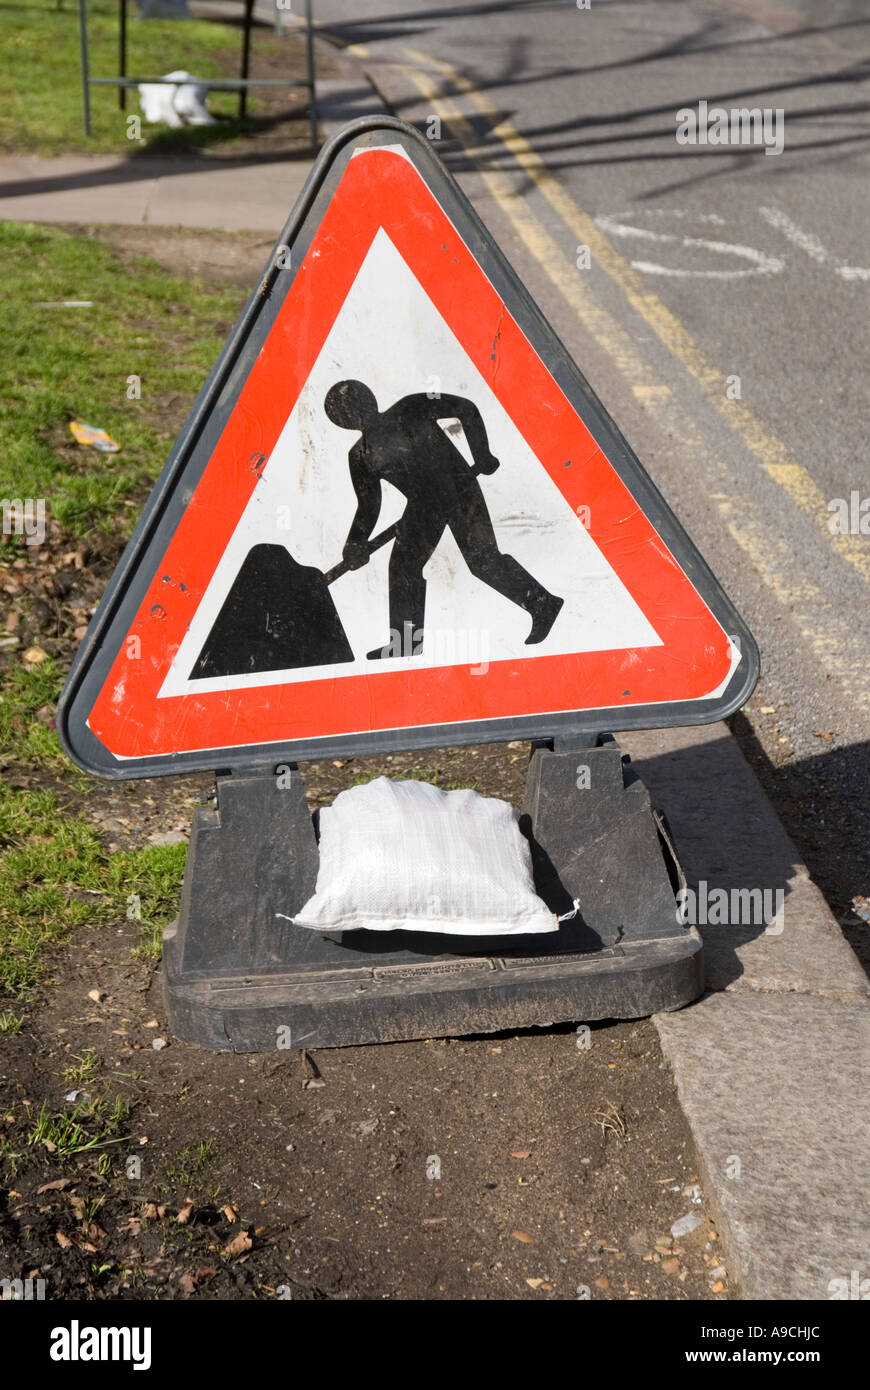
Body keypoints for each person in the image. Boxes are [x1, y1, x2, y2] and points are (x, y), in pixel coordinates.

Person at [324, 380, 563, 659]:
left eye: (355, 404)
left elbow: (466, 408)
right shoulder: (359, 456)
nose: (354, 413)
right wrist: (355, 542)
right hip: (423, 506)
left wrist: (481, 453)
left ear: (369, 398)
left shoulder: (410, 406)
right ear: (341, 421)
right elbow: (368, 504)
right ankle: (406, 644)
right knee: (402, 568)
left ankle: (543, 603)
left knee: (483, 561)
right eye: (345, 412)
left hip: (459, 488)